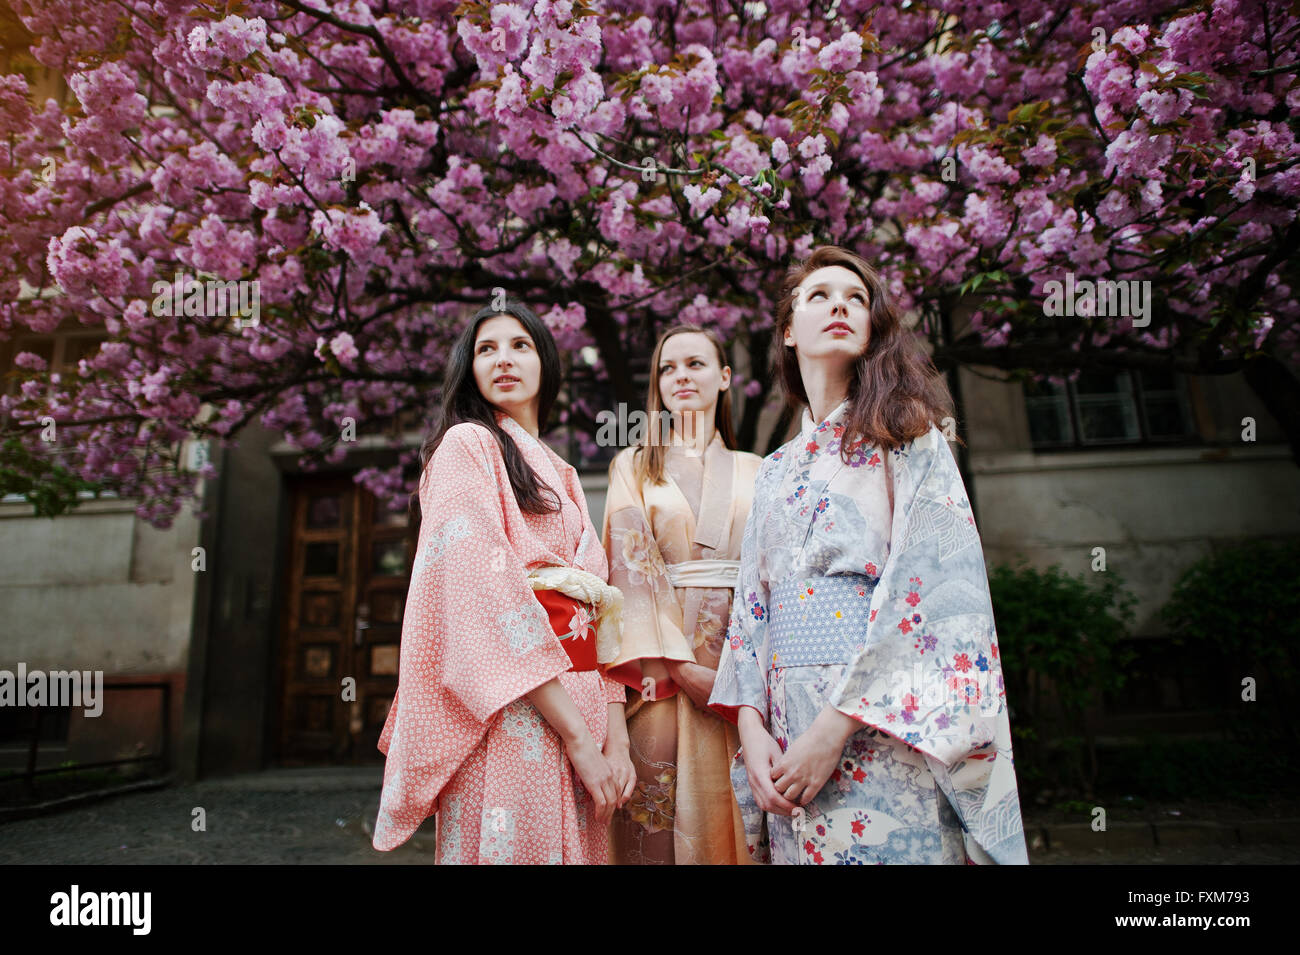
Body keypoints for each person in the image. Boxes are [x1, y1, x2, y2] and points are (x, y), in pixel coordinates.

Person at [708, 246, 1029, 865]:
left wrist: (833, 730)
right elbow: (751, 610)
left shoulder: (911, 443)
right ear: (787, 331)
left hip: (880, 728)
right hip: (783, 733)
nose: (841, 306)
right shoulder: (774, 471)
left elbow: (936, 595)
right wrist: (753, 731)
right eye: (821, 295)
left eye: (858, 299)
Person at [373, 299, 635, 864]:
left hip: (582, 702)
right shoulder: (467, 446)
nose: (503, 359)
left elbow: (603, 612)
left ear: (547, 363)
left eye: (520, 345)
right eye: (485, 349)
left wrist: (616, 740)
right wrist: (578, 739)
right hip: (518, 707)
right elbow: (480, 596)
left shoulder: (559, 470)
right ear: (469, 368)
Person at [602, 324, 762, 865]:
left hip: (743, 673)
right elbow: (629, 572)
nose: (680, 377)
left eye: (694, 364)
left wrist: (736, 677)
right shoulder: (633, 466)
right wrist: (680, 666)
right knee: (658, 824)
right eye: (667, 369)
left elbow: (774, 579)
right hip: (661, 677)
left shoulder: (760, 471)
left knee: (742, 816)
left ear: (724, 377)